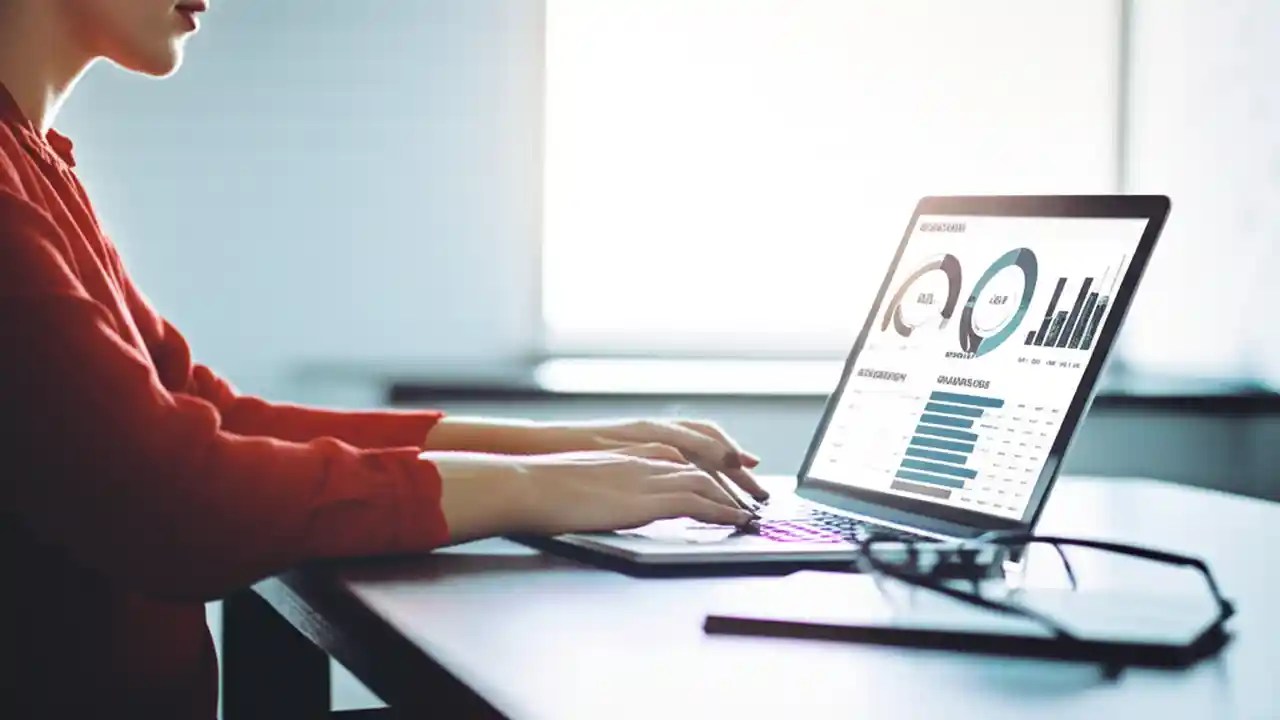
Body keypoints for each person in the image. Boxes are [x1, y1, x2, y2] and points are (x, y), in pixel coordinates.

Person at [0, 1, 767, 715]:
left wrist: (570, 445)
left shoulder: (35, 165)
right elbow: (172, 502)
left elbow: (212, 418)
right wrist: (540, 486)